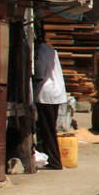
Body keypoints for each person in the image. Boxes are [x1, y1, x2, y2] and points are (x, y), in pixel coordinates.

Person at [33, 32, 67, 170]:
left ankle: (54, 161)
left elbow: (39, 74)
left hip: (46, 93)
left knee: (47, 130)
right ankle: (52, 159)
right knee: (50, 129)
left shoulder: (40, 52)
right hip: (56, 93)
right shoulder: (51, 51)